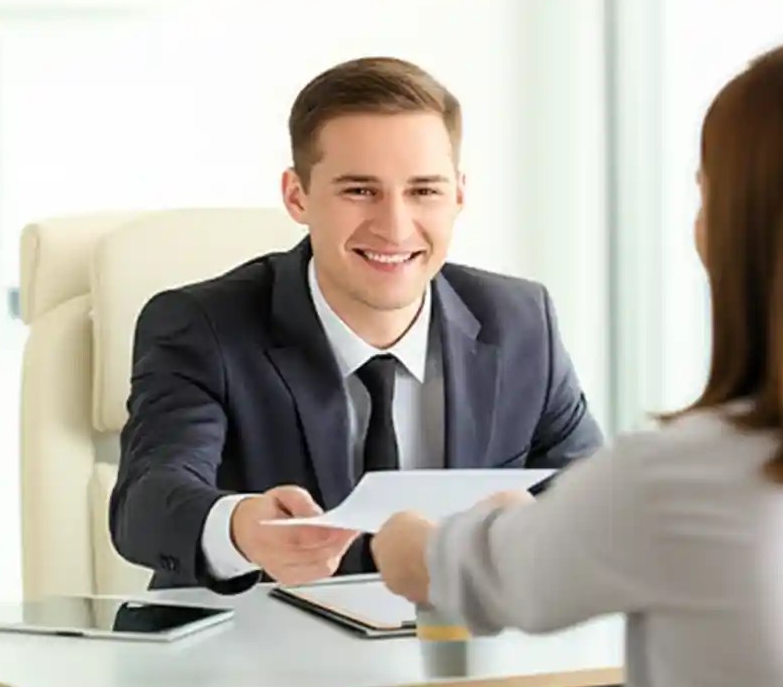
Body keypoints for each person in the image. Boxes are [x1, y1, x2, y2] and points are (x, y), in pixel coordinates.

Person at [372, 39, 783, 687]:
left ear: (726, 227)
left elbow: (440, 569)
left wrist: (418, 532)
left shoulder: (675, 483)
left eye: (704, 190)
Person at [109, 56, 604, 595]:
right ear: (297, 196)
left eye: (424, 191)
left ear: (459, 195)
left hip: (455, 641)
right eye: (360, 191)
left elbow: (594, 502)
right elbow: (145, 502)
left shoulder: (521, 322)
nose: (395, 227)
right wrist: (240, 529)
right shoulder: (202, 326)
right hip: (255, 643)